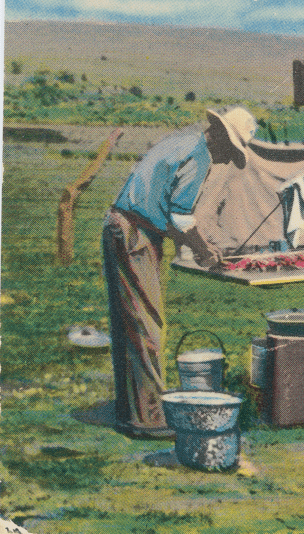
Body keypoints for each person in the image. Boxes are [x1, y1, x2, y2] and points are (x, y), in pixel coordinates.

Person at [103, 106, 256, 438]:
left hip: (123, 224)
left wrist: (198, 246)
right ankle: (149, 420)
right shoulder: (199, 156)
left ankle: (129, 413)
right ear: (219, 136)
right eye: (228, 151)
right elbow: (180, 216)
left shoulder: (182, 141)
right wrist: (203, 250)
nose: (226, 159)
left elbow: (165, 208)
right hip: (134, 232)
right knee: (147, 327)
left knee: (129, 324)